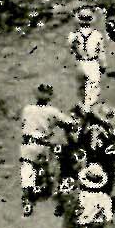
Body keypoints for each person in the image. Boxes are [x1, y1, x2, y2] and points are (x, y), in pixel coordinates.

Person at [19, 84, 75, 217]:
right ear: (49, 97)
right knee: (50, 162)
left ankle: (27, 199)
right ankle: (49, 186)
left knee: (27, 167)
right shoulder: (52, 111)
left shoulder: (27, 109)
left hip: (27, 143)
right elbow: (69, 123)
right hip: (41, 143)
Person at [69, 7, 106, 108]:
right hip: (92, 62)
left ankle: (82, 106)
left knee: (81, 86)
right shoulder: (97, 35)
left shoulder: (73, 35)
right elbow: (101, 52)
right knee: (93, 86)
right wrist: (103, 65)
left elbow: (72, 49)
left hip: (79, 63)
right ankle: (88, 108)